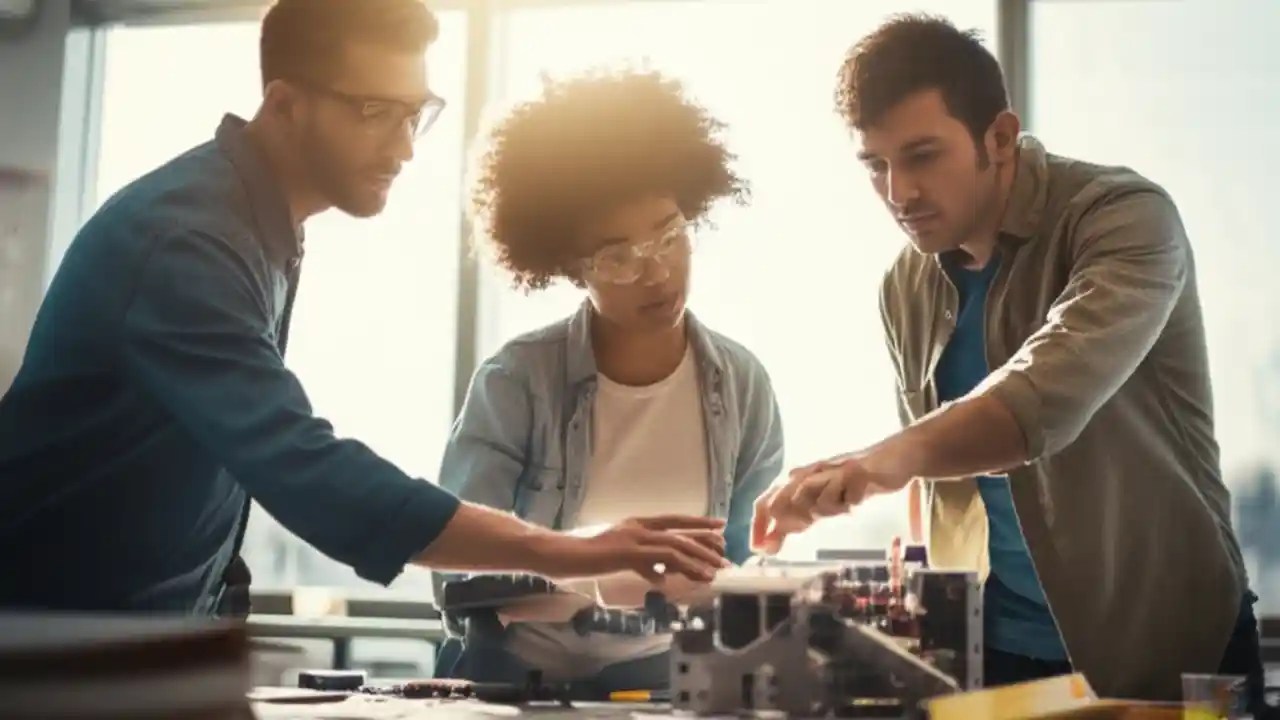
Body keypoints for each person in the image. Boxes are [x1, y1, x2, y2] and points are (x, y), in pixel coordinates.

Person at [0, 0, 728, 615]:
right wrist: (575, 551)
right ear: (284, 105)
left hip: (124, 651)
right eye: (377, 113)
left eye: (416, 115)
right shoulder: (187, 239)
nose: (405, 149)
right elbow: (302, 468)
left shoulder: (257, 225)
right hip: (42, 647)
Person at [750, 14, 1262, 705]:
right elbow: (939, 482)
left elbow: (1039, 399)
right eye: (877, 164)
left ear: (999, 136)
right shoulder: (906, 283)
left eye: (923, 155)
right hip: (994, 657)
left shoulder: (1124, 219)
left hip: (1163, 650)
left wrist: (873, 463)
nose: (899, 193)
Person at [430, 68, 784, 691]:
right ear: (570, 266)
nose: (656, 272)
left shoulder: (743, 385)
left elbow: (742, 565)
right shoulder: (517, 382)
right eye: (618, 257)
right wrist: (584, 556)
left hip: (664, 680)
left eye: (670, 234)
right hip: (514, 682)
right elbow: (454, 568)